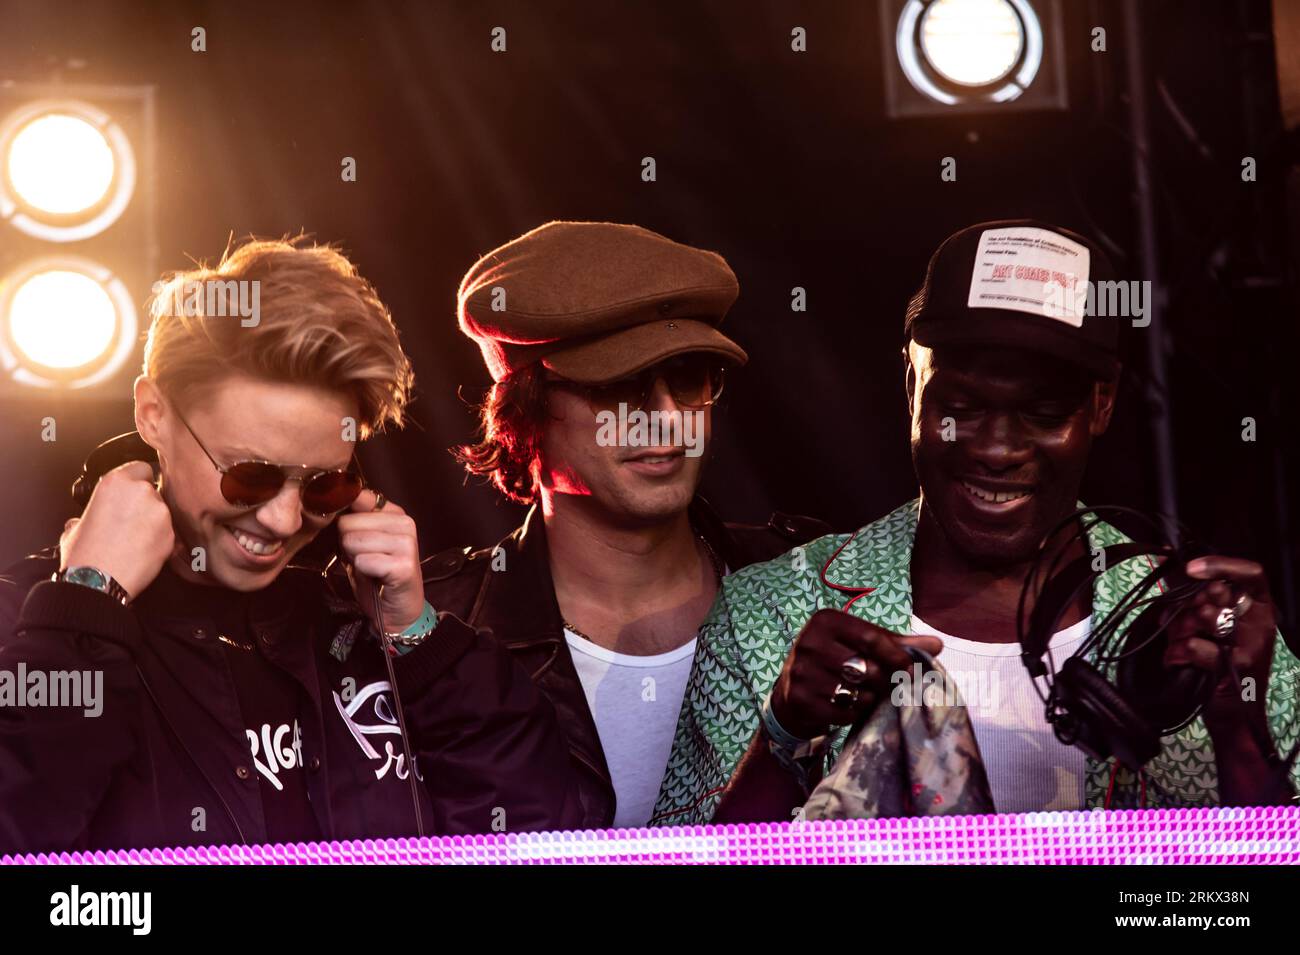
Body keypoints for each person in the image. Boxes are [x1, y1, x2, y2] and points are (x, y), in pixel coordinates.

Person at [652, 219, 1300, 825]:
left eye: (1044, 412)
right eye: (959, 405)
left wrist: (1240, 733)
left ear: (1101, 406)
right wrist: (780, 741)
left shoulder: (1201, 630)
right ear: (912, 384)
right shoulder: (768, 615)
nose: (995, 447)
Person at [0, 238, 579, 854]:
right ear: (152, 413)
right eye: (250, 476)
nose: (281, 522)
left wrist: (420, 643)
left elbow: (543, 835)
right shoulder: (25, 627)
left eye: (326, 484)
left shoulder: (364, 633)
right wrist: (87, 611)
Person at [424, 220, 828, 828]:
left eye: (688, 378)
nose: (667, 418)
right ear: (523, 410)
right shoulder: (436, 629)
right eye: (620, 386)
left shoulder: (816, 580)